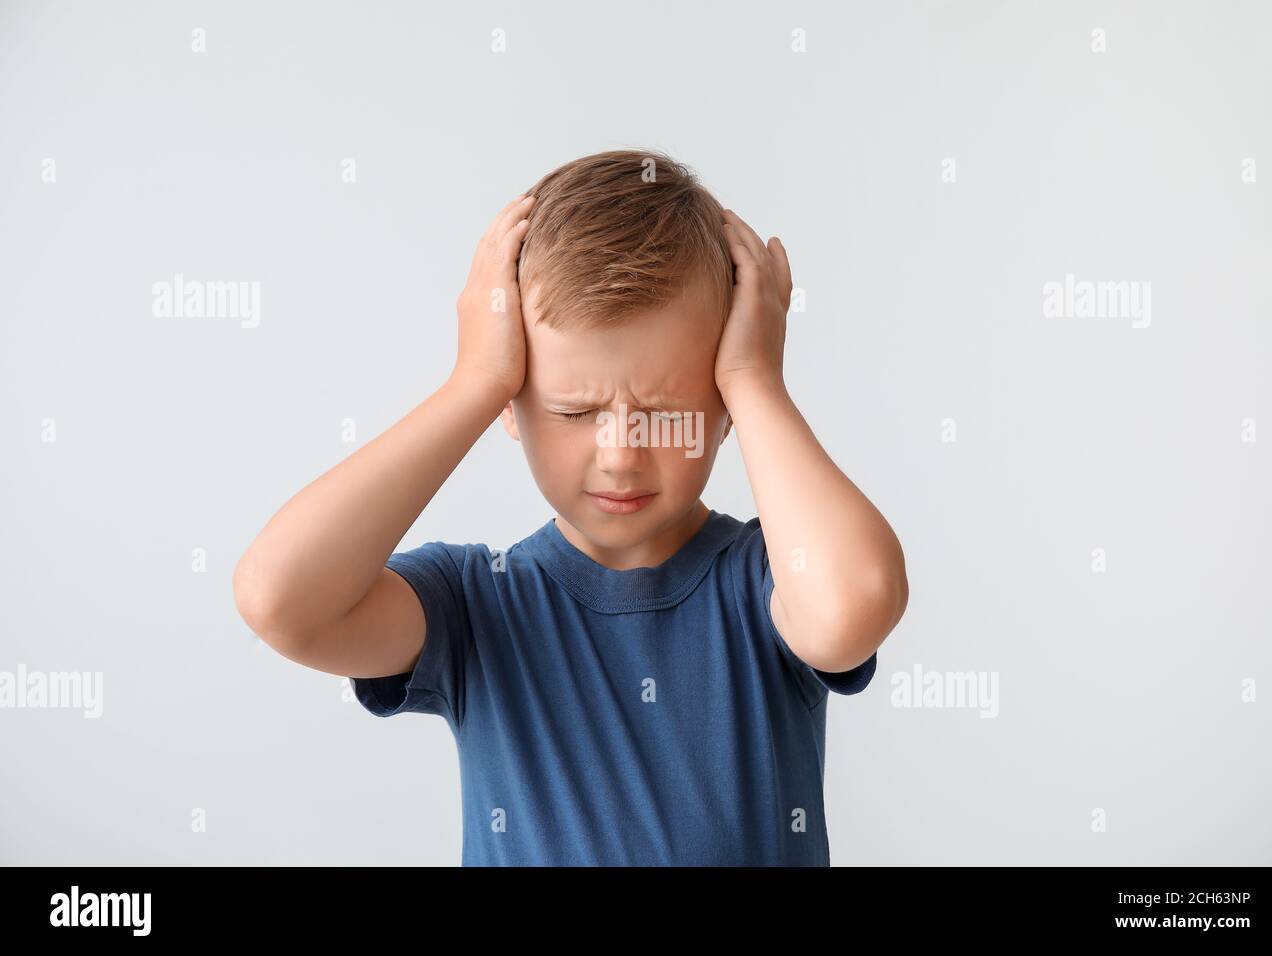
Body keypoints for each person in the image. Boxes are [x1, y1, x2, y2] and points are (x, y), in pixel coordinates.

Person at [233, 148, 909, 865]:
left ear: (723, 406)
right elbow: (280, 599)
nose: (619, 452)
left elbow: (854, 604)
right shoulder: (477, 605)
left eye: (665, 410)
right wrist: (474, 380)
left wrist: (755, 379)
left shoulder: (769, 585)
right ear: (513, 405)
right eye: (575, 411)